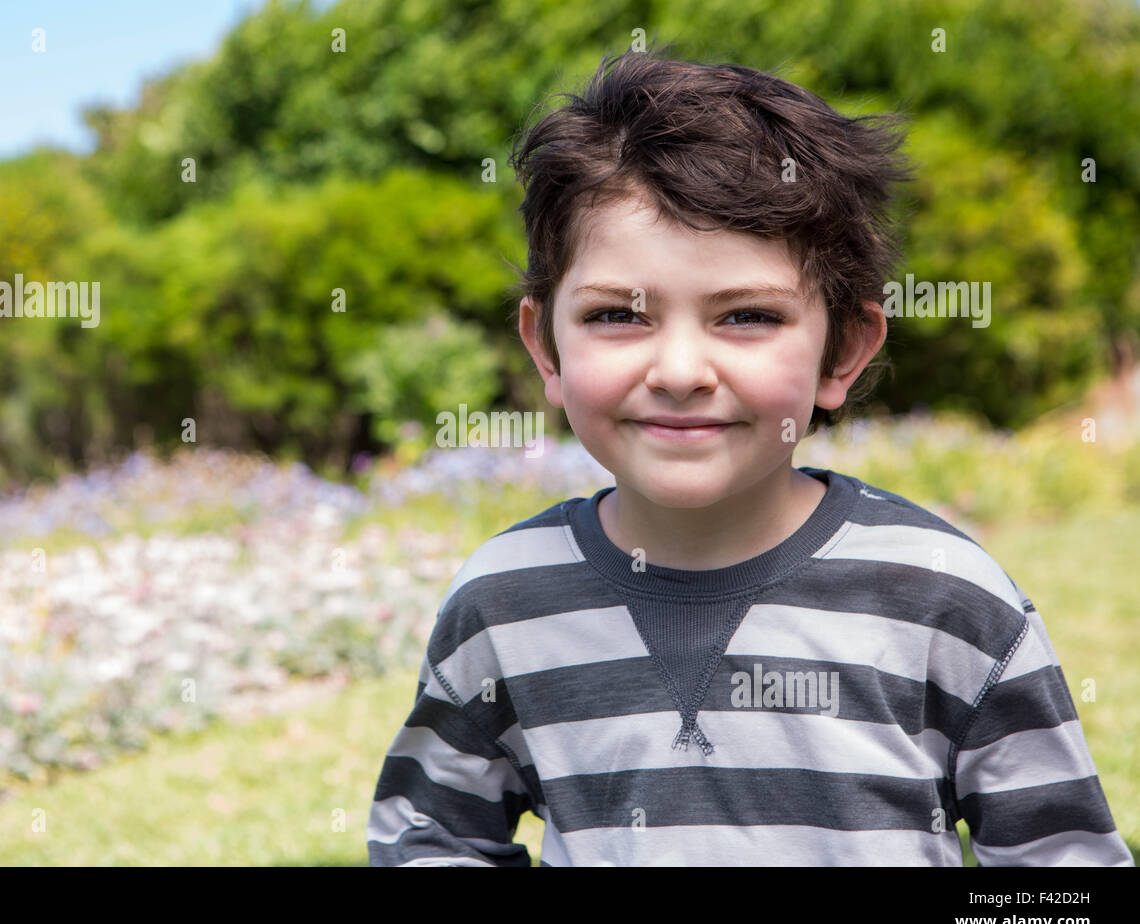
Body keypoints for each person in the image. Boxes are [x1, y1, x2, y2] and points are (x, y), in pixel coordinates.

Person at [366, 47, 1133, 866]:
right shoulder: (503, 601)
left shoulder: (946, 600)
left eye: (747, 317)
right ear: (545, 347)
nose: (680, 372)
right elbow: (430, 835)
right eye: (619, 315)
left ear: (844, 350)